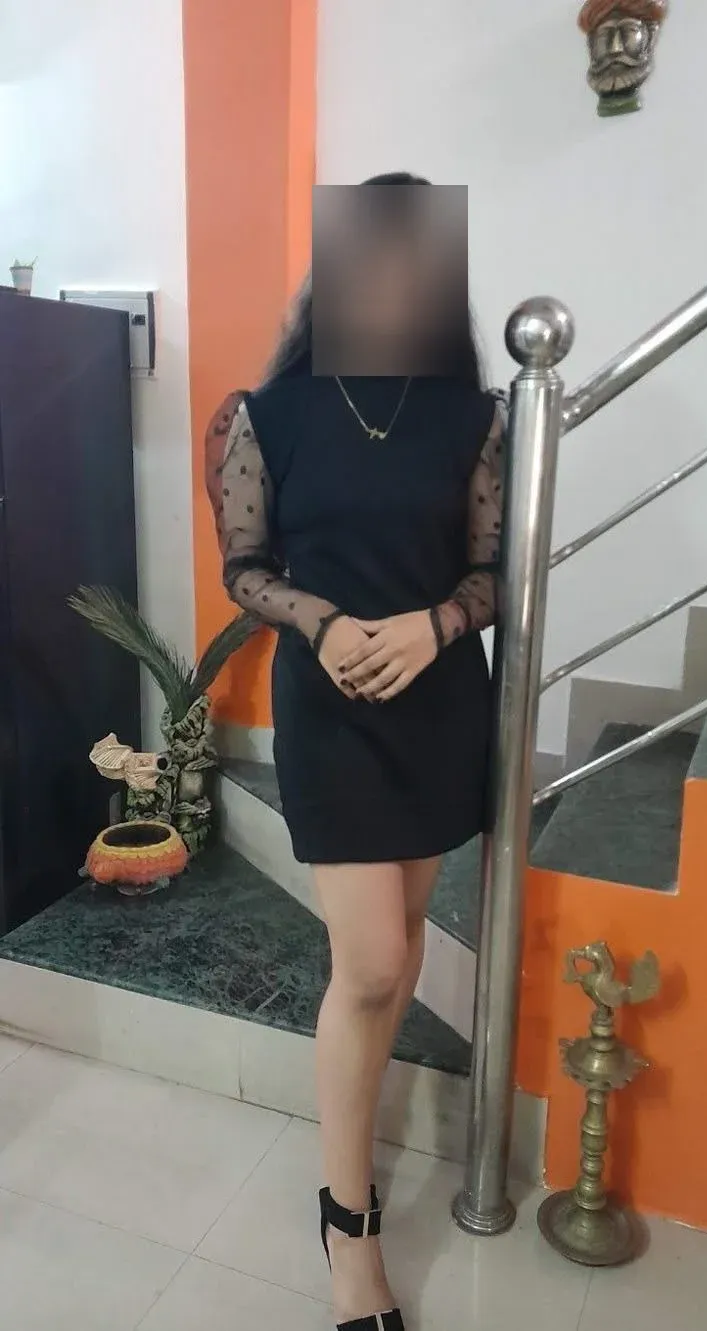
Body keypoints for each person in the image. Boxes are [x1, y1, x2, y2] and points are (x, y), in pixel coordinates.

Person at [206, 173, 505, 1331]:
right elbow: (245, 568)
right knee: (375, 960)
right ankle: (348, 1219)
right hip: (330, 703)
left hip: (438, 701)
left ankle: (355, 1123)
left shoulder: (473, 416)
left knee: (393, 950)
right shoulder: (264, 413)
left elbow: (492, 571)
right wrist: (326, 624)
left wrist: (435, 625)